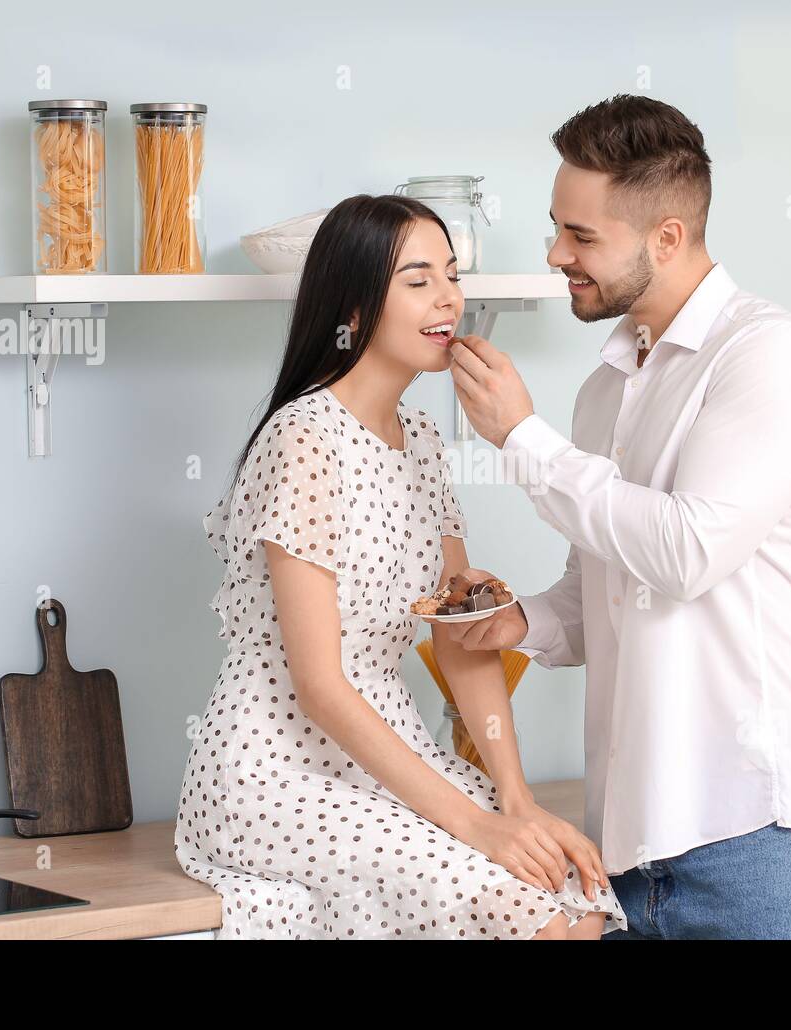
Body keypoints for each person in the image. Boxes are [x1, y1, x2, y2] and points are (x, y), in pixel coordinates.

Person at [445, 95, 791, 939]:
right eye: (556, 228)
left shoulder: (770, 356)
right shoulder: (607, 387)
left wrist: (522, 439)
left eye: (583, 236)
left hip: (759, 835)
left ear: (666, 237)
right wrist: (518, 622)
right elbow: (601, 591)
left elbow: (686, 552)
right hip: (631, 849)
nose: (557, 253)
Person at [174, 193, 628, 939]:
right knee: (523, 910)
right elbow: (319, 686)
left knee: (572, 900)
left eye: (451, 274)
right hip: (275, 773)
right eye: (418, 281)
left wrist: (513, 797)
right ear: (354, 304)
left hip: (391, 754)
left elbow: (462, 637)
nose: (448, 297)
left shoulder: (420, 440)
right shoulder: (304, 440)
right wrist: (477, 828)